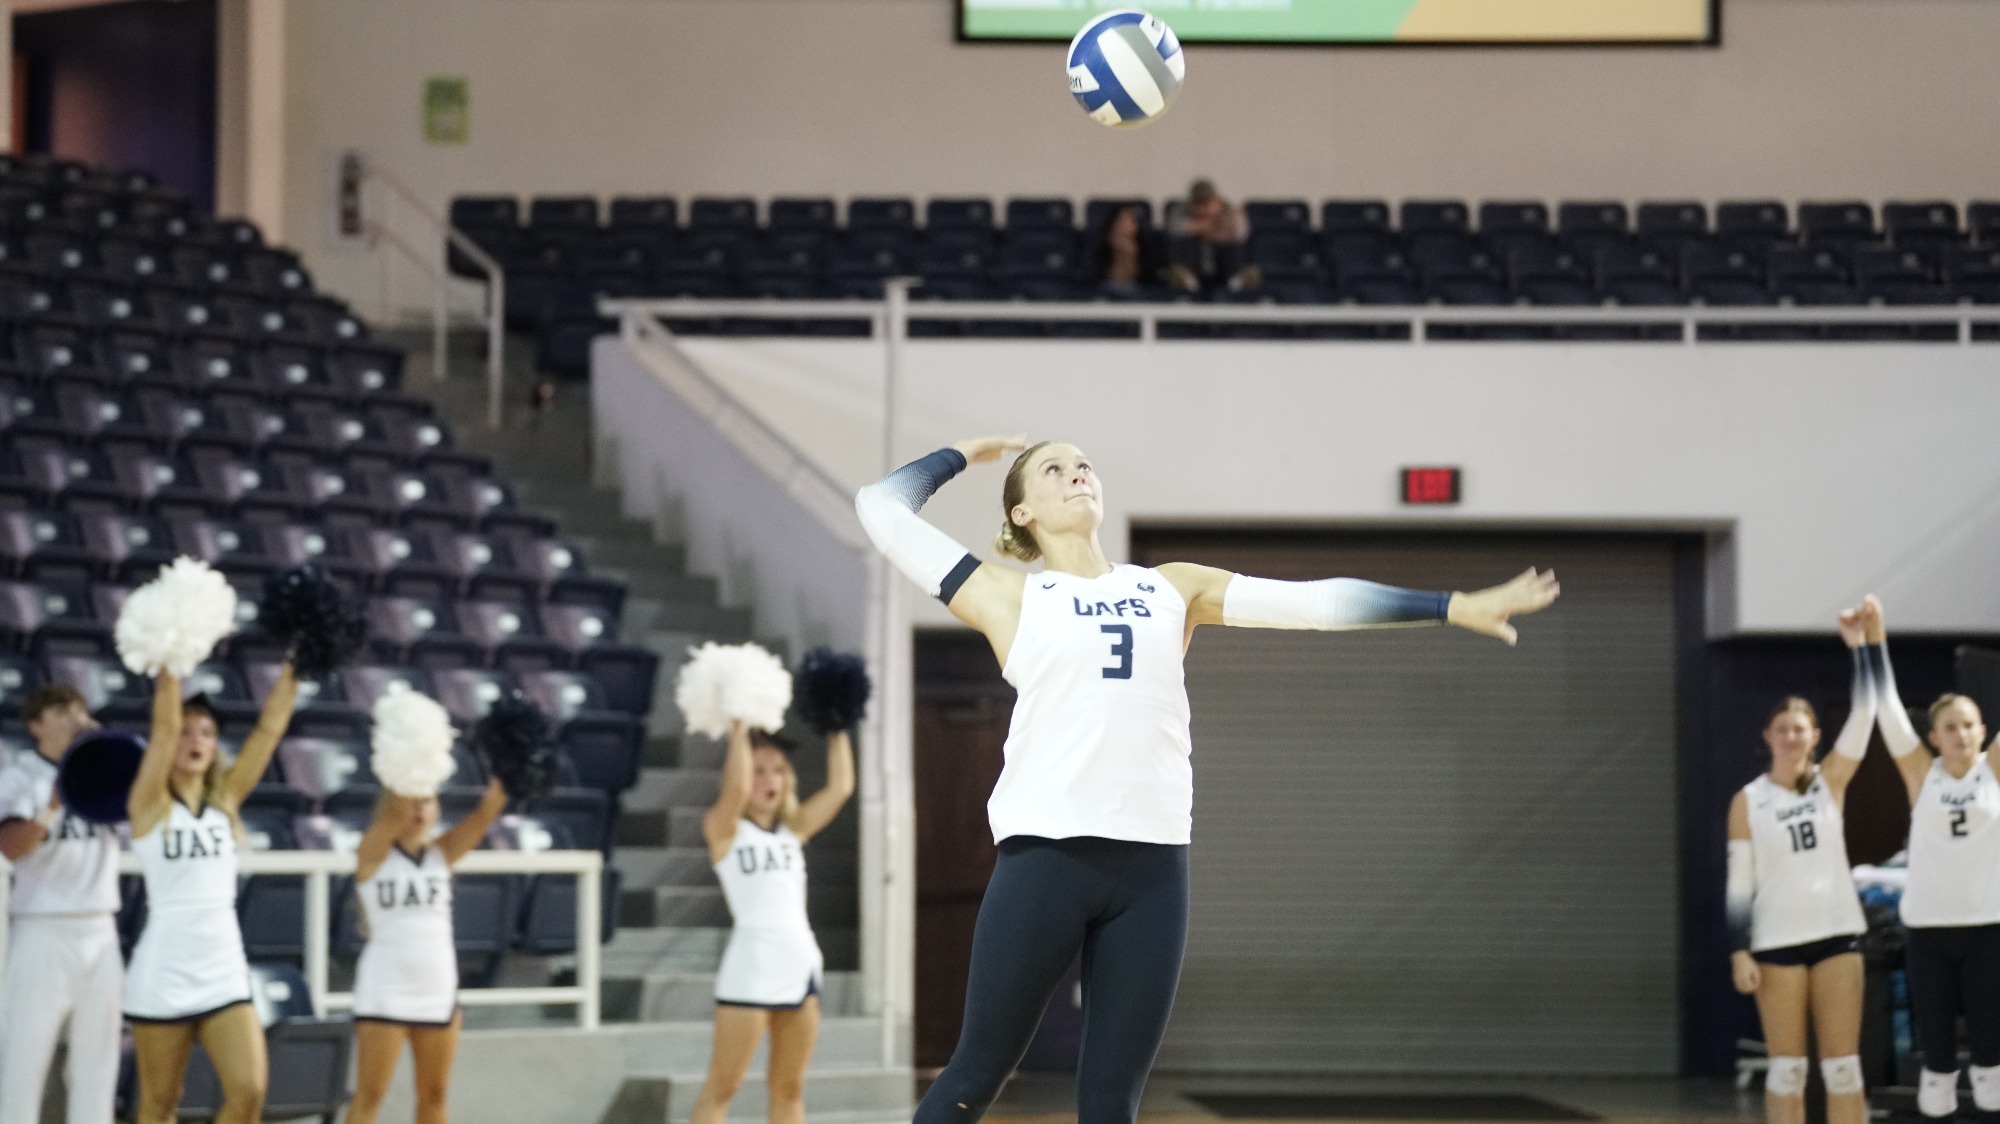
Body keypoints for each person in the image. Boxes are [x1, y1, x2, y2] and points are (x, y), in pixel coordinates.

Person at [854, 436, 1558, 1124]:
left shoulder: (1170, 587)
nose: (1078, 475)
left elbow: (1310, 605)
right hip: (1047, 859)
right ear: (1021, 514)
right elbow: (881, 508)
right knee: (977, 1075)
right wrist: (961, 453)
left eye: (1085, 466)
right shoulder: (1007, 595)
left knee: (1112, 1104)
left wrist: (1448, 605)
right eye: (1054, 470)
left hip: (1152, 872)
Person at [125, 666, 299, 1124]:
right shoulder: (147, 804)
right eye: (186, 732)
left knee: (248, 1092)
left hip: (223, 967)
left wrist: (297, 666)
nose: (194, 739)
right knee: (160, 1104)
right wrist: (170, 662)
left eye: (206, 731)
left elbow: (270, 728)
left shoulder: (226, 801)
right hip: (164, 970)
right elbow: (161, 730)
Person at [1725, 608, 1876, 1124]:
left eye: (1801, 729)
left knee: (1843, 1071)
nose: (1791, 737)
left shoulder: (1830, 782)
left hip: (1837, 934)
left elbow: (1867, 713)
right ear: (1768, 736)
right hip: (1775, 943)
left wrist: (1863, 647)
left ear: (1815, 735)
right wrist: (1739, 949)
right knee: (1787, 1071)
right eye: (1782, 729)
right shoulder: (1748, 800)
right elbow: (1738, 885)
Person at [1863, 595, 2000, 1122]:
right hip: (1929, 928)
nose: (1961, 734)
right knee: (1936, 1053)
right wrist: (1874, 643)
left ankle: (1987, 1081)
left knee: (1989, 1048)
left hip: (1988, 925)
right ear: (1934, 738)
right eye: (1951, 728)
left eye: (1969, 725)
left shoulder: (1994, 771)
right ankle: (1938, 1090)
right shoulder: (1924, 777)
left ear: (1982, 730)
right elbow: (1887, 709)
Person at [688, 724, 855, 1124]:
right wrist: (739, 731)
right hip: (751, 970)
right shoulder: (724, 829)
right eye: (759, 770)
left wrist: (838, 725)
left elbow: (841, 788)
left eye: (778, 770)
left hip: (799, 966)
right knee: (723, 1086)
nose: (769, 780)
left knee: (790, 1087)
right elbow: (735, 792)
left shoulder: (793, 831)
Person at [344, 777, 508, 1124]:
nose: (418, 809)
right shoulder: (371, 852)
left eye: (427, 801)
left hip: (437, 987)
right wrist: (411, 764)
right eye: (410, 801)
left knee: (434, 1095)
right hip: (385, 988)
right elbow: (390, 821)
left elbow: (484, 815)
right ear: (392, 804)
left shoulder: (442, 852)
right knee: (370, 1096)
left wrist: (502, 783)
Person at [0, 686, 119, 1124]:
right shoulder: (20, 775)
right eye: (61, 710)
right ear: (36, 725)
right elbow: (11, 847)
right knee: (23, 1059)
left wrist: (105, 752)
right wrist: (52, 805)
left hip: (100, 925)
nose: (75, 717)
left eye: (80, 708)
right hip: (42, 926)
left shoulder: (100, 768)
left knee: (97, 1066)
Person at [1165, 179, 1256, 296]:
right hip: (1195, 264)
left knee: (1233, 246)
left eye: (1207, 204)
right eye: (1199, 204)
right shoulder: (1180, 210)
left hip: (1222, 264)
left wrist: (1207, 232)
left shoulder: (1230, 211)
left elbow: (1241, 233)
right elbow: (1175, 229)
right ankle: (1187, 281)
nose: (1203, 210)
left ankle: (1236, 282)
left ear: (1217, 201)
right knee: (1184, 242)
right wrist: (1209, 227)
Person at [1094, 205, 1154, 298]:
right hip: (1109, 286)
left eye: (1131, 221)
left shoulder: (1140, 245)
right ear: (1114, 224)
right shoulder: (1107, 241)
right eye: (1123, 221)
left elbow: (1139, 272)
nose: (1127, 225)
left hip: (1133, 288)